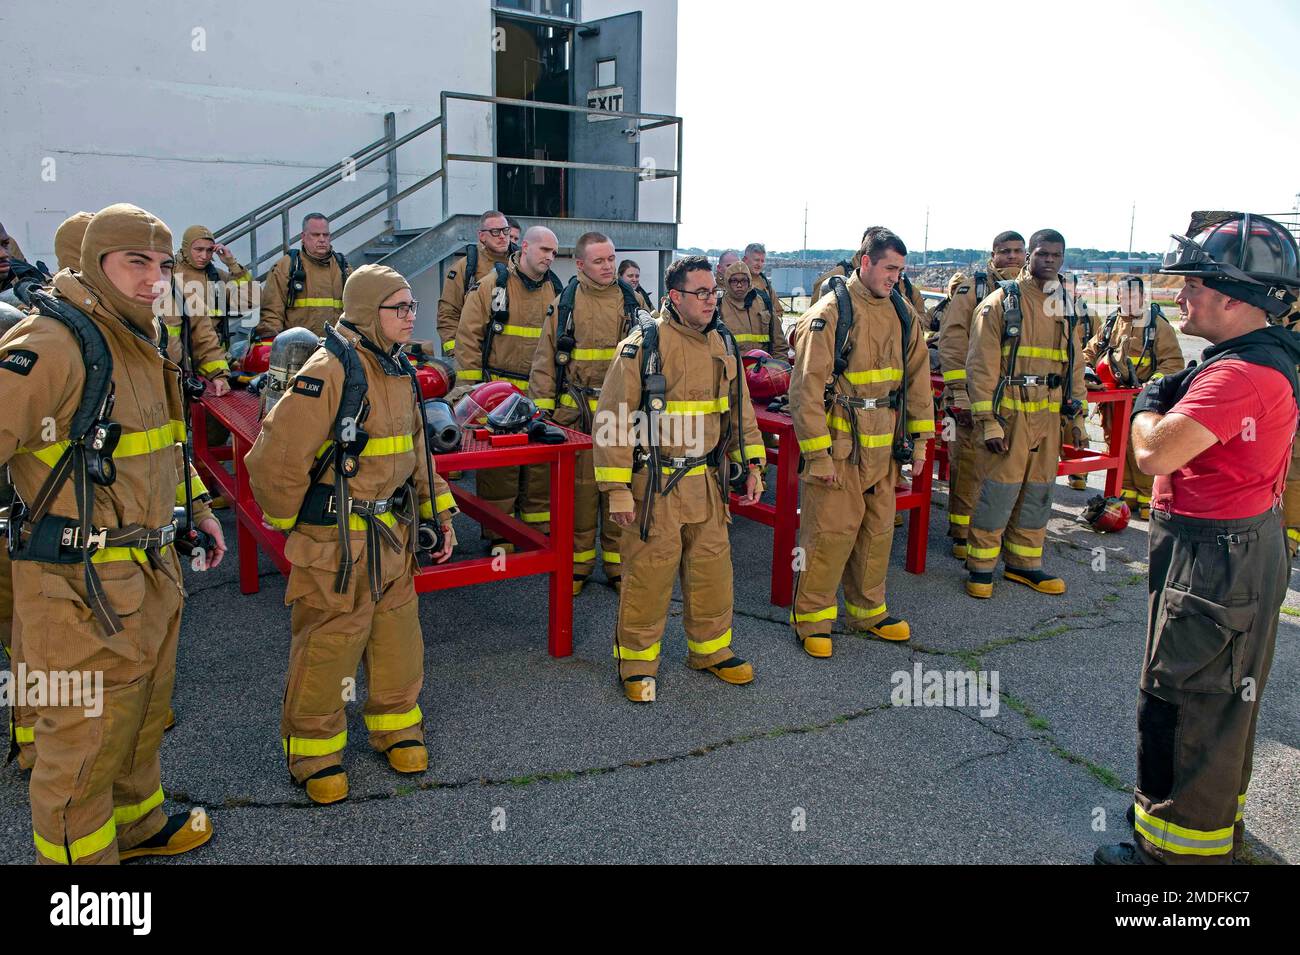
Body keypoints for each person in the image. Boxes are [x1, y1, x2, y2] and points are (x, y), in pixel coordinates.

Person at [0, 203, 226, 862]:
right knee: (80, 753)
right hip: (76, 589)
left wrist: (201, 509)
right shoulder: (53, 343)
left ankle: (138, 824)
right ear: (94, 264)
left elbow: (164, 446)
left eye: (161, 265)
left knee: (140, 719)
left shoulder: (139, 339)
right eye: (136, 262)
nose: (154, 279)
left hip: (148, 573)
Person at [1095, 211, 1300, 865]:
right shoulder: (1253, 359)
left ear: (1234, 299)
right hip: (1231, 549)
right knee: (1216, 699)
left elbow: (1154, 452)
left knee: (1185, 701)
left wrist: (1151, 401)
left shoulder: (1236, 377)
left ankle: (1173, 862)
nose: (1179, 295)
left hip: (1214, 559)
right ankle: (1207, 830)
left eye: (1192, 286)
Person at [246, 264, 458, 805]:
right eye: (400, 308)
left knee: (397, 639)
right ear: (369, 312)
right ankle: (314, 751)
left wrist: (441, 514)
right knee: (329, 646)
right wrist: (298, 525)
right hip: (336, 542)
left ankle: (396, 725)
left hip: (392, 535)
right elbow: (276, 458)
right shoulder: (330, 369)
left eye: (413, 306)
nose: (412, 316)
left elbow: (419, 452)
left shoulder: (398, 369)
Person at [593, 255, 765, 702]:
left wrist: (752, 465)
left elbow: (740, 410)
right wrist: (616, 491)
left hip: (708, 481)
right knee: (649, 577)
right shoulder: (642, 345)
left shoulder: (722, 343)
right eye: (702, 293)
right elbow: (612, 419)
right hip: (655, 485)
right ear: (675, 296)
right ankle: (636, 663)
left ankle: (710, 651)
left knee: (712, 573)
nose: (712, 300)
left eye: (715, 292)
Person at [787, 227, 934, 655]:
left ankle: (868, 609)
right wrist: (817, 454)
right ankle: (812, 619)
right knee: (828, 533)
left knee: (877, 530)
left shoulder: (903, 312)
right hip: (840, 446)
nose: (895, 277)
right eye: (889, 268)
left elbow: (917, 383)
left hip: (884, 446)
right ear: (865, 262)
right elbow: (805, 390)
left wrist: (921, 440)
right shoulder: (830, 313)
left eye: (901, 270)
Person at [963, 229, 1087, 599]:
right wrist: (987, 422)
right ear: (1030, 255)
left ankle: (1024, 563)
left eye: (1057, 255)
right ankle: (981, 567)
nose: (1050, 260)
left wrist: (1077, 419)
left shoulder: (1064, 304)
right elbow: (980, 368)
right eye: (1043, 253)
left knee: (1039, 491)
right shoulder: (1001, 303)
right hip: (1010, 416)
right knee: (999, 492)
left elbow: (1075, 366)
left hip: (1048, 417)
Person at [531, 233, 645, 593]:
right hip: (575, 416)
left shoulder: (633, 302)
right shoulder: (564, 304)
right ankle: (578, 565)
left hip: (620, 418)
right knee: (580, 496)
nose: (609, 266)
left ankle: (617, 564)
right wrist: (543, 416)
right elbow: (545, 363)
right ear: (580, 264)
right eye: (599, 261)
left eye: (611, 258)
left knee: (619, 489)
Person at [455, 227, 562, 540]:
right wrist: (471, 391)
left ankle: (537, 533)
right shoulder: (492, 286)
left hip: (537, 392)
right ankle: (501, 536)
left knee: (540, 467)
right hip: (497, 394)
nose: (550, 257)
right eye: (544, 250)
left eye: (554, 253)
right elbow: (468, 338)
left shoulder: (554, 288)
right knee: (500, 471)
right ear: (525, 246)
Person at [936, 231, 1026, 558]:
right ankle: (962, 532)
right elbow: (953, 339)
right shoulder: (973, 289)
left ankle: (996, 532)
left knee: (1007, 468)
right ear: (993, 254)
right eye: (1005, 252)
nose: (1012, 257)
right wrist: (960, 391)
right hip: (972, 396)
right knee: (969, 465)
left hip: (1015, 400)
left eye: (1018, 251)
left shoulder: (1033, 290)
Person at [1081, 276, 1184, 518]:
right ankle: (1125, 493)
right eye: (1124, 296)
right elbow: (1090, 352)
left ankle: (1147, 497)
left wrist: (1154, 384)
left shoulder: (1157, 325)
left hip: (1142, 401)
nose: (1128, 301)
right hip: (1114, 401)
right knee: (1115, 444)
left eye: (1133, 296)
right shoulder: (1110, 324)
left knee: (1141, 445)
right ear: (1117, 297)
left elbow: (1173, 362)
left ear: (1143, 297)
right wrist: (1087, 372)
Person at [254, 213, 349, 339]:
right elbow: (272, 313)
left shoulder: (343, 267)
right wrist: (271, 341)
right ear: (303, 237)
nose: (322, 239)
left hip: (335, 350)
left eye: (325, 235)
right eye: (315, 235)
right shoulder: (286, 266)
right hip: (298, 350)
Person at [436, 210, 513, 358]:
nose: (503, 236)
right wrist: (456, 353)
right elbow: (448, 313)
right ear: (482, 236)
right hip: (477, 353)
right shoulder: (465, 268)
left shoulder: (520, 264)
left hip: (511, 356)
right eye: (495, 232)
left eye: (505, 230)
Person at [717, 261, 790, 357]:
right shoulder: (718, 306)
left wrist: (778, 369)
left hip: (763, 368)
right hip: (733, 369)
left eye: (743, 281)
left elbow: (779, 345)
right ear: (727, 282)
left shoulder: (764, 302)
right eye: (734, 281)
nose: (739, 285)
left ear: (749, 281)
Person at [743, 242, 783, 319]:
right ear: (745, 259)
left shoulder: (765, 283)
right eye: (756, 260)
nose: (759, 264)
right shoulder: (735, 281)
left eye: (762, 261)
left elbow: (778, 311)